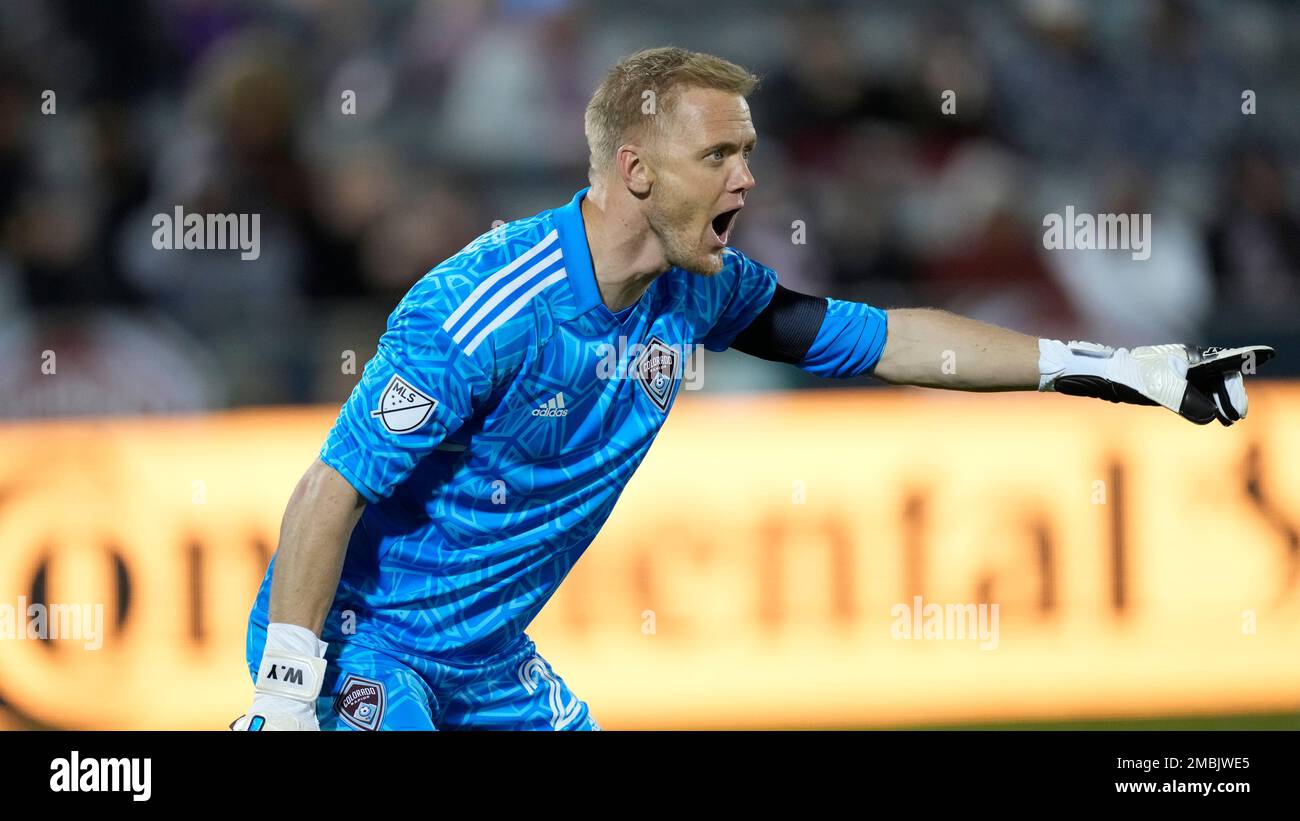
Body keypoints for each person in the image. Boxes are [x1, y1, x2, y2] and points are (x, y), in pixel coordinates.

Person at [233, 47, 1270, 731]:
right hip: (360, 640)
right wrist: (285, 690)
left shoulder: (702, 290)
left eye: (748, 153)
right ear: (636, 170)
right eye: (718, 154)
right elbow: (332, 490)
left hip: (486, 660)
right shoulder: (482, 309)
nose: (747, 179)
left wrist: (1122, 370)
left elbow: (895, 341)